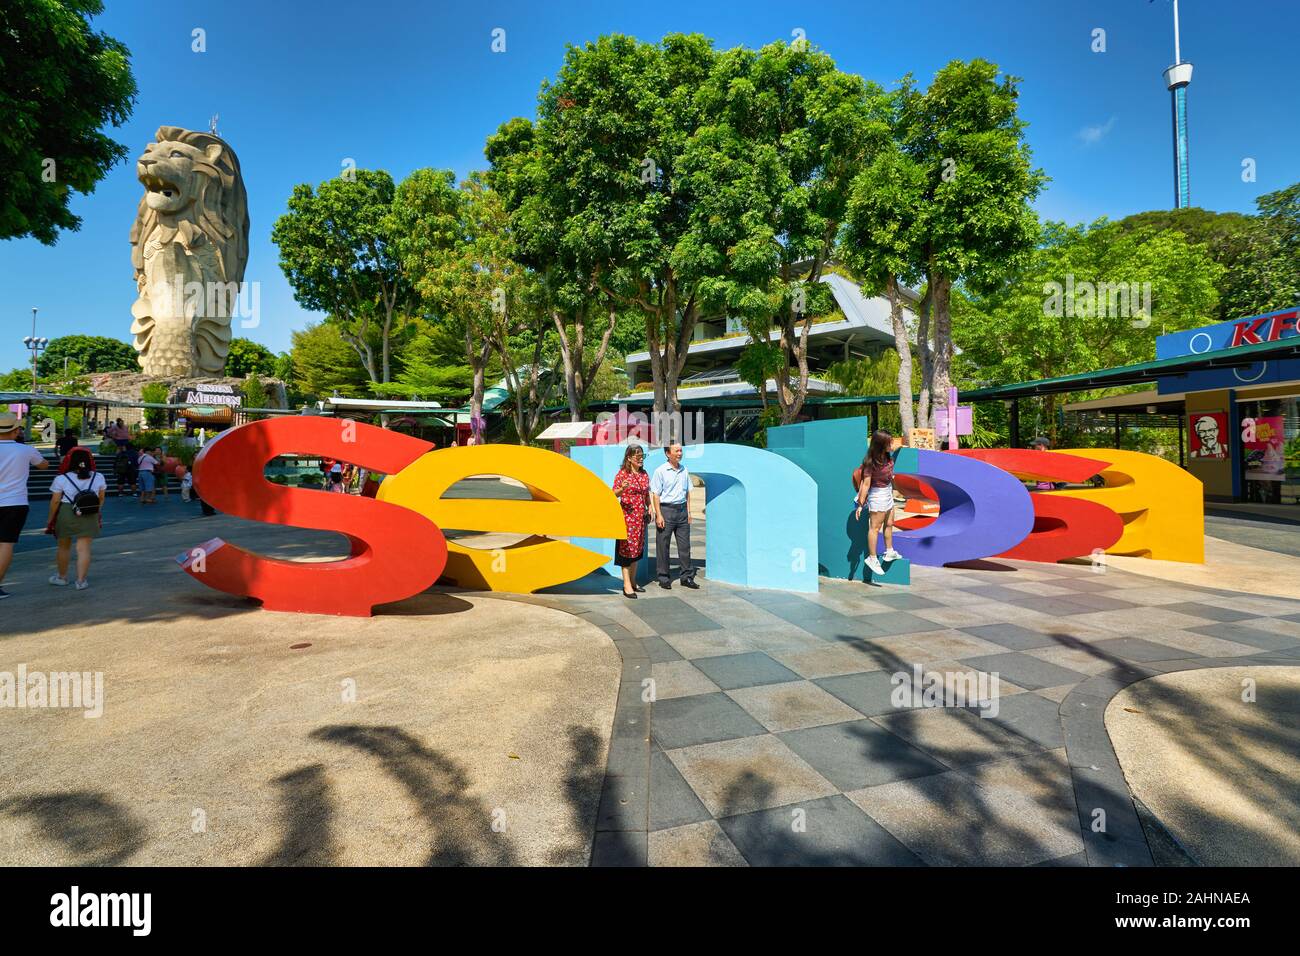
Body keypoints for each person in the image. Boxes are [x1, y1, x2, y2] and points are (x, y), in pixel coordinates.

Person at [0, 411, 51, 599]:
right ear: (15, 431)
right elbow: (43, 465)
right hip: (15, 502)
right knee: (6, 544)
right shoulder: (25, 450)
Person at [45, 447, 106, 591]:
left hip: (67, 512)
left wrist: (50, 519)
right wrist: (97, 511)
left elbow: (55, 502)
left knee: (63, 547)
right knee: (84, 548)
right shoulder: (98, 476)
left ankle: (62, 577)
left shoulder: (61, 478)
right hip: (89, 512)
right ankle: (81, 581)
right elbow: (101, 497)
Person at [854, 430, 903, 577]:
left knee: (889, 523)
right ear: (881, 445)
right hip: (877, 495)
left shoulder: (887, 455)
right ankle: (872, 558)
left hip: (887, 492)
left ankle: (889, 552)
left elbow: (899, 446)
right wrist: (861, 504)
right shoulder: (871, 463)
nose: (892, 444)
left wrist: (905, 444)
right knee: (875, 528)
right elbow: (866, 484)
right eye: (889, 442)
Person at [650, 442, 697, 590]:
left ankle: (687, 577)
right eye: (676, 451)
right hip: (666, 510)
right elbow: (656, 494)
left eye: (681, 450)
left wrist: (689, 512)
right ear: (667, 454)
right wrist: (659, 515)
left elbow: (687, 492)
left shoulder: (684, 470)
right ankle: (664, 577)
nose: (679, 453)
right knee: (663, 545)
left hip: (682, 510)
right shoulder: (660, 471)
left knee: (685, 546)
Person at [611, 444, 650, 599]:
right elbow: (613, 493)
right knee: (626, 550)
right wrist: (622, 488)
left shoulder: (644, 474)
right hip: (627, 518)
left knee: (637, 550)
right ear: (629, 458)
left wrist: (650, 507)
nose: (640, 459)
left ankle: (633, 582)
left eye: (642, 456)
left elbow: (646, 493)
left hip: (640, 519)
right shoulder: (622, 474)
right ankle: (626, 585)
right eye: (637, 456)